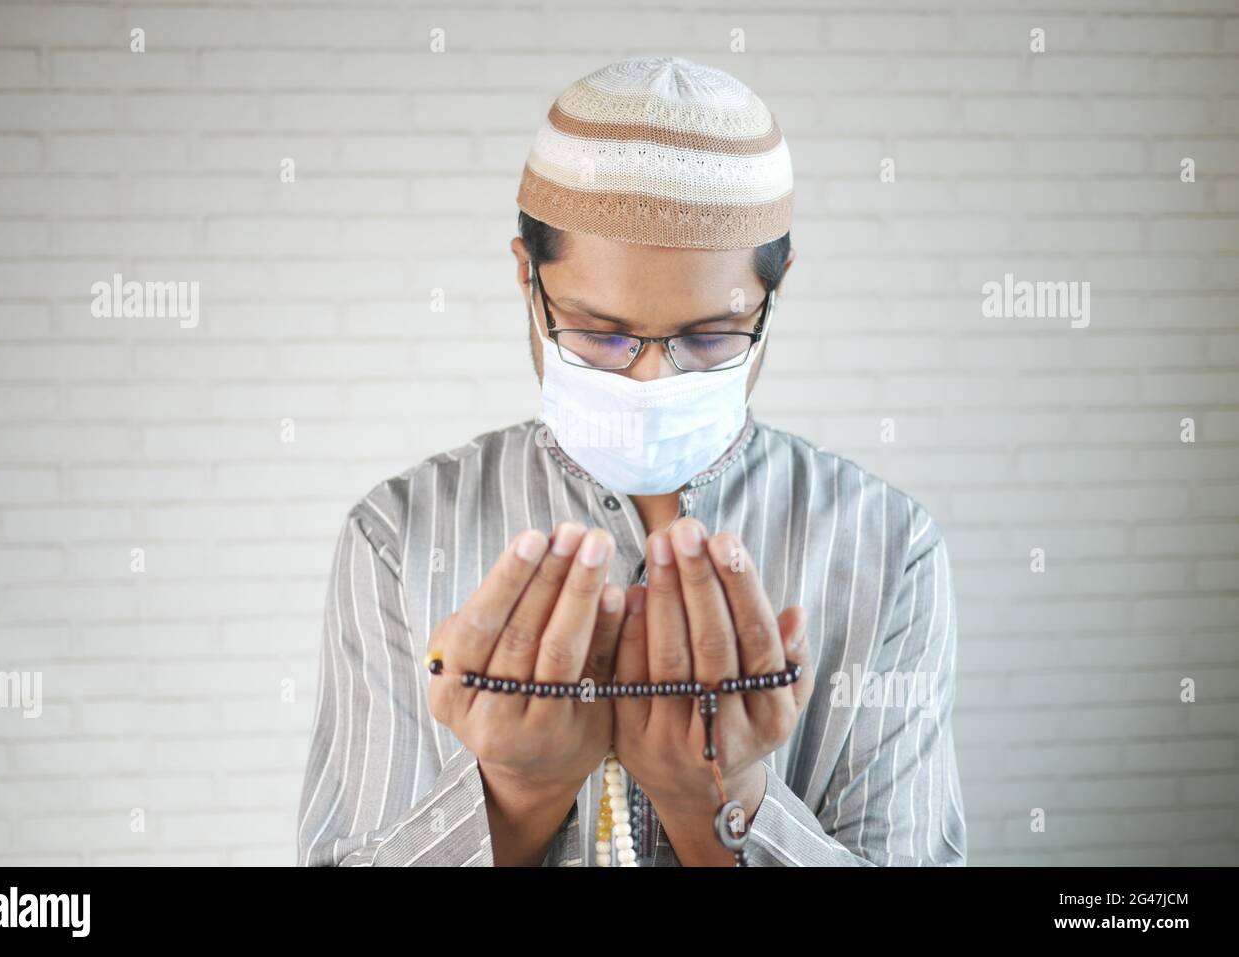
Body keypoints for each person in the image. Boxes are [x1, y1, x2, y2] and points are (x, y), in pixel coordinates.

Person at [297, 56, 966, 867]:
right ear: (526, 277)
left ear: (774, 290)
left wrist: (723, 804)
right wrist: (515, 797)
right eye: (598, 333)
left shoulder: (888, 547)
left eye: (707, 339)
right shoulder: (399, 537)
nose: (651, 379)